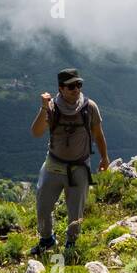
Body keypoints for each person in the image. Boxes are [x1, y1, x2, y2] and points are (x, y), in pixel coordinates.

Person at [29, 68, 111, 258]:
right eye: (71, 86)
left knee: (76, 211)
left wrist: (104, 157)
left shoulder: (89, 107)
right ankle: (47, 239)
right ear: (61, 88)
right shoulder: (51, 107)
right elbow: (36, 131)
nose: (76, 89)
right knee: (43, 206)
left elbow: (98, 134)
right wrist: (43, 107)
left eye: (79, 85)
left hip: (80, 166)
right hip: (54, 164)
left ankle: (71, 244)